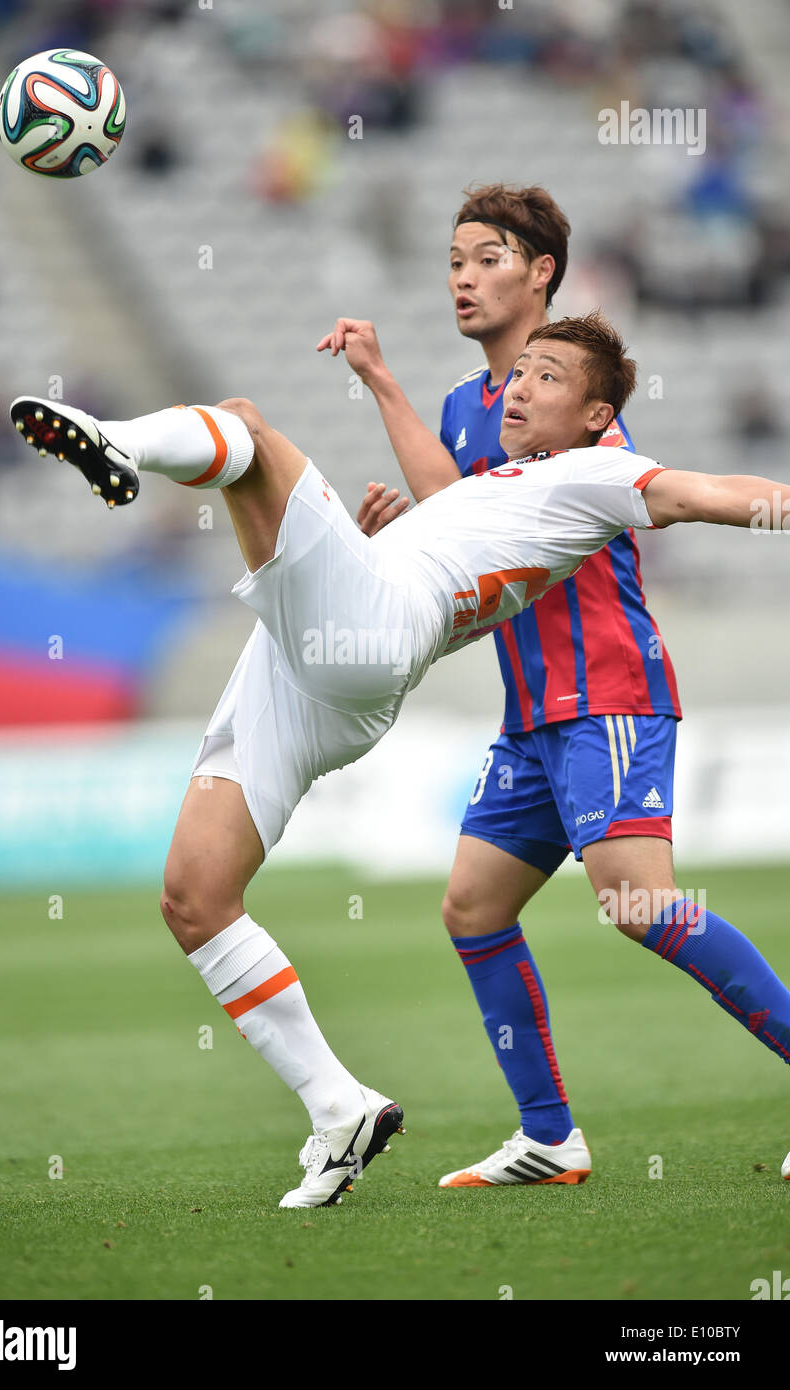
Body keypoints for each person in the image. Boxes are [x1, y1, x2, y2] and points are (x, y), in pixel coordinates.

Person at [10, 311, 790, 1205]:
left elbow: (708, 492)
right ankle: (348, 1108)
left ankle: (114, 441)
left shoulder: (598, 474)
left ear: (597, 418)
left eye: (546, 377)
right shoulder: (493, 485)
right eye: (521, 370)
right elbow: (454, 549)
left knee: (245, 425)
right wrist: (370, 541)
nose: (520, 386)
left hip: (378, 642)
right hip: (310, 664)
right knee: (198, 897)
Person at [318, 183, 682, 1185]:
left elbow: (491, 511)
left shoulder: (573, 404)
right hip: (530, 715)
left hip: (605, 692)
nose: (462, 279)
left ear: (540, 273)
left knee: (641, 908)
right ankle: (550, 1134)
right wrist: (393, 504)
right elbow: (455, 533)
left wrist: (431, 506)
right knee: (473, 905)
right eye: (451, 260)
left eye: (484, 258)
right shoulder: (460, 409)